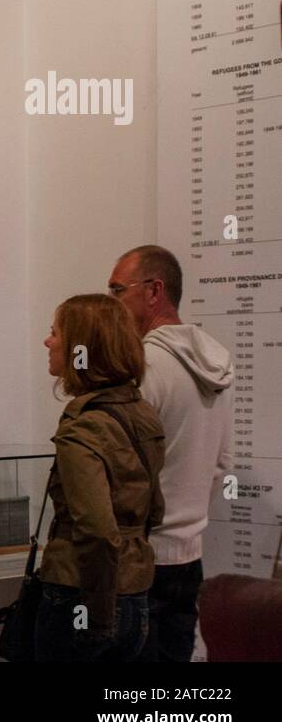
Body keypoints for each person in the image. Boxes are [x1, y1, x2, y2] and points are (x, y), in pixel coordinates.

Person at [108, 245, 233, 662]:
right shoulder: (216, 365)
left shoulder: (143, 364)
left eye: (117, 290)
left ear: (153, 290)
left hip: (143, 562)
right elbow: (221, 464)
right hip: (190, 557)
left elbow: (122, 472)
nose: (112, 303)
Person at [37, 294, 165, 662]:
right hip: (135, 590)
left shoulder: (85, 424)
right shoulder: (142, 413)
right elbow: (154, 511)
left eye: (55, 332)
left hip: (81, 592)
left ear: (81, 347)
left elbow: (96, 530)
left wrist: (98, 619)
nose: (48, 342)